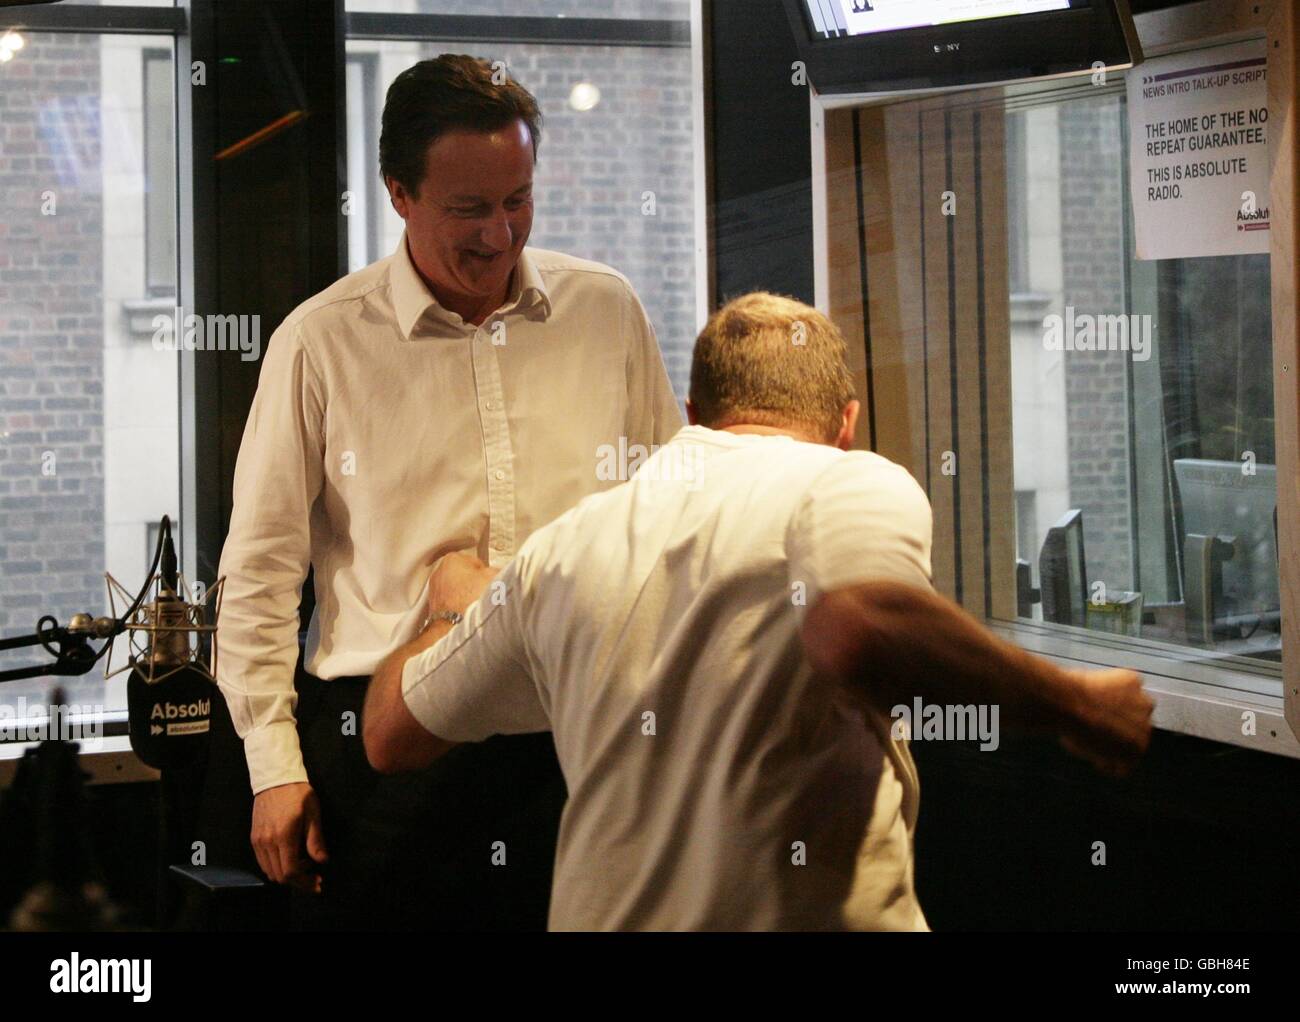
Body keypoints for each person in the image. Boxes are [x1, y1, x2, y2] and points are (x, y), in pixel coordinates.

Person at [362, 291, 1154, 930]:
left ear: (692, 411)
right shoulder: (845, 480)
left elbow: (390, 736)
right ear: (846, 422)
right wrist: (1074, 703)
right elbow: (860, 628)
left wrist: (446, 602)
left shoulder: (562, 550)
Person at [210, 54, 682, 929]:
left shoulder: (606, 310)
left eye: (518, 200)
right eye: (468, 209)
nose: (500, 236)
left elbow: (669, 518)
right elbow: (262, 574)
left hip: (574, 741)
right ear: (398, 191)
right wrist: (274, 766)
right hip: (384, 757)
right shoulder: (320, 343)